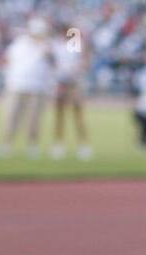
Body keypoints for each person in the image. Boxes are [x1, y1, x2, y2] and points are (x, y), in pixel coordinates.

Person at [0, 17, 54, 158]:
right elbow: (6, 59)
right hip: (17, 85)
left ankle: (32, 146)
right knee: (11, 117)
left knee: (34, 120)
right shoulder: (19, 43)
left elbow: (53, 63)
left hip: (37, 87)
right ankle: (7, 144)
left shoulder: (46, 46)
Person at [50, 21, 93, 160]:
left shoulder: (75, 44)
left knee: (77, 114)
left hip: (73, 83)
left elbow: (84, 61)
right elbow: (53, 63)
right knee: (60, 115)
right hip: (61, 82)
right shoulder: (56, 44)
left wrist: (76, 70)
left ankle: (83, 145)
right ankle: (58, 144)